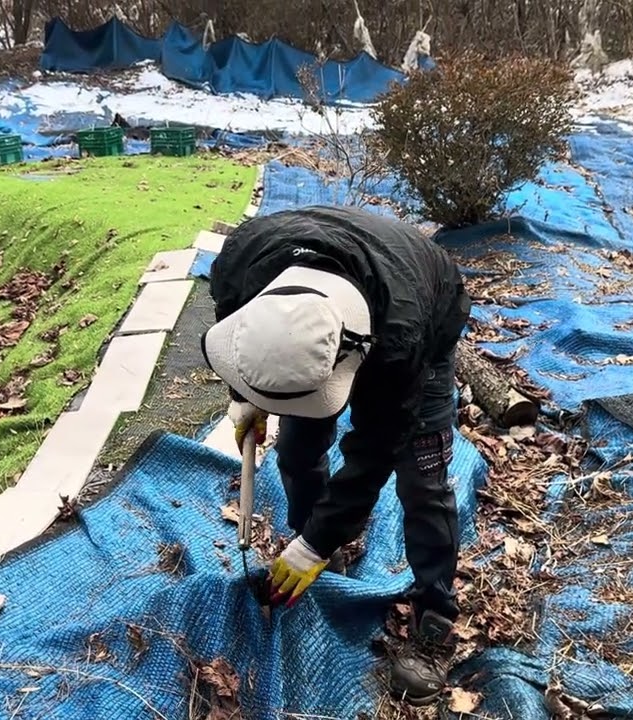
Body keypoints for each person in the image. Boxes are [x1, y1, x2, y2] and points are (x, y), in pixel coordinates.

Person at [201, 205, 472, 706]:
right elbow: (239, 335)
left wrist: (316, 543)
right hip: (332, 289)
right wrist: (248, 397)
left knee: (423, 482)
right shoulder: (239, 263)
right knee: (296, 450)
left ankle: (434, 617)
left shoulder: (403, 339)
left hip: (425, 310)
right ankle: (319, 549)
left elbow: (374, 454)